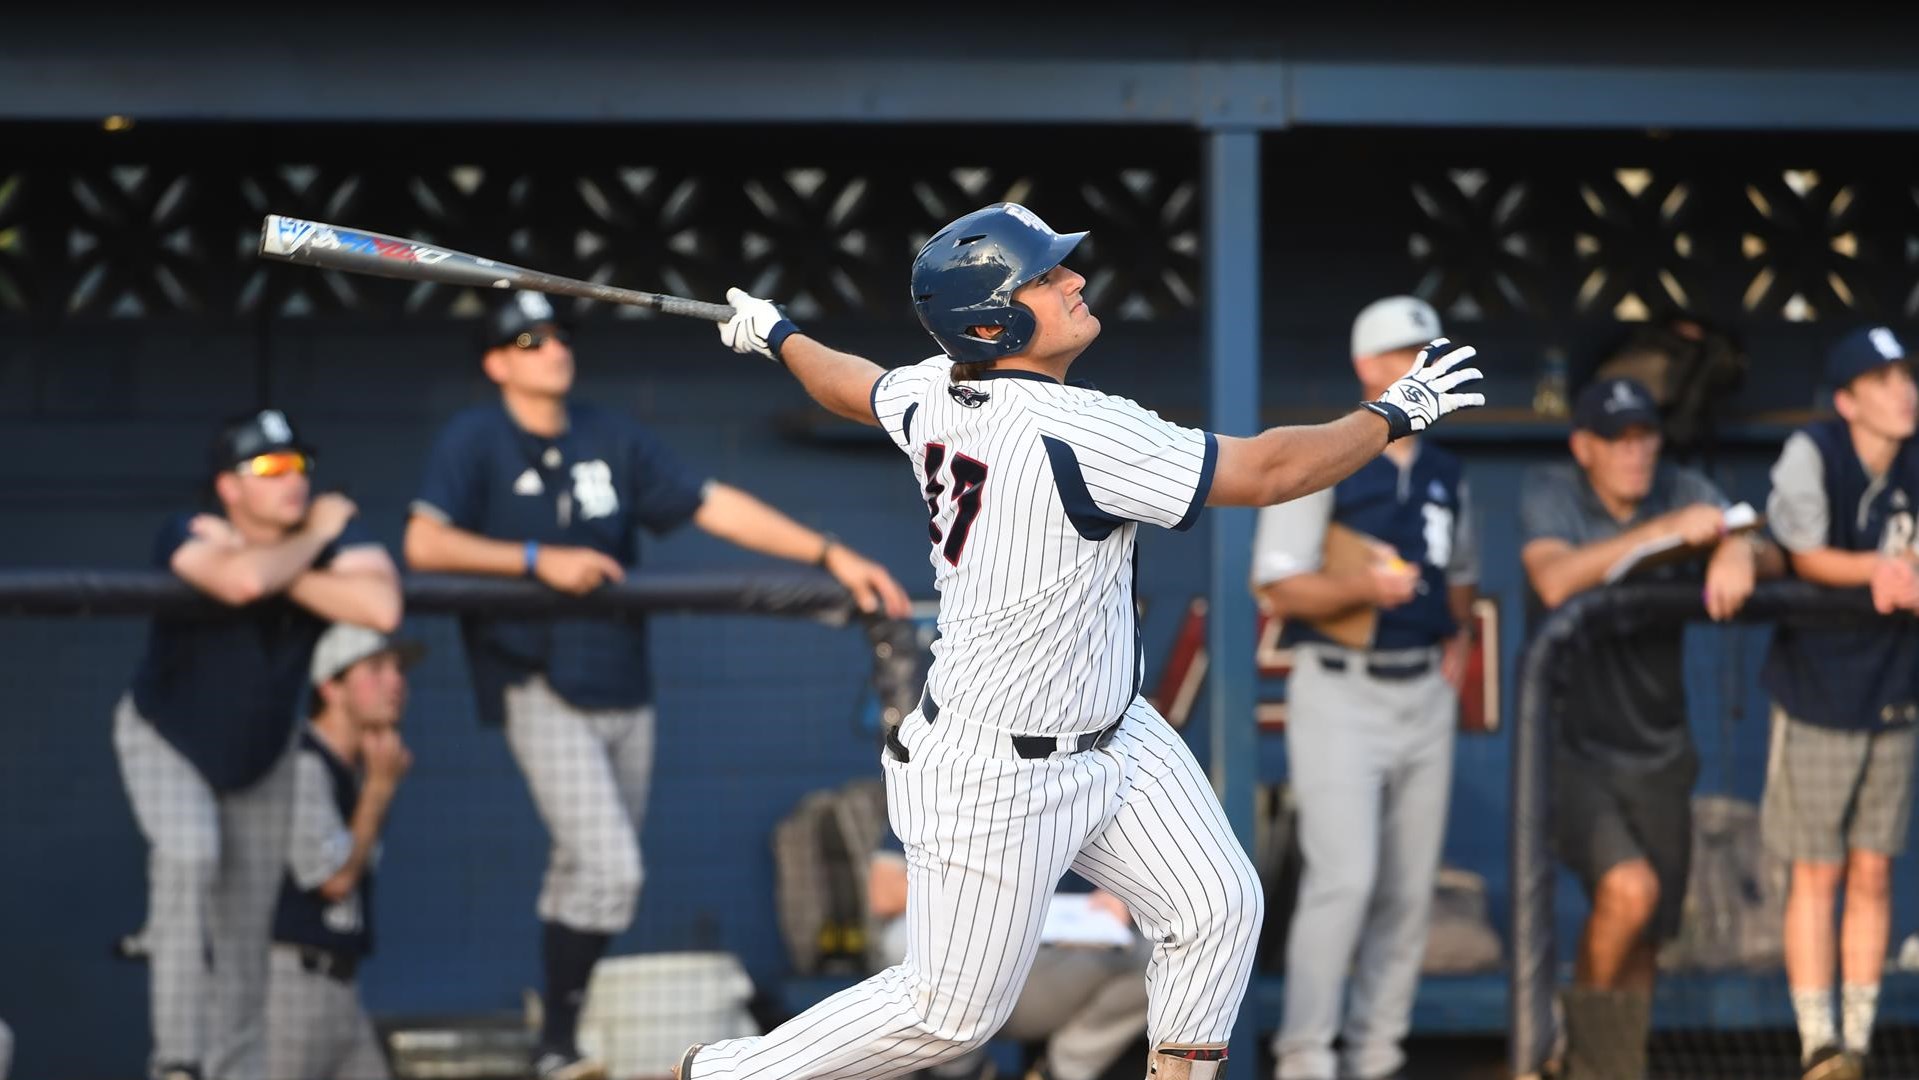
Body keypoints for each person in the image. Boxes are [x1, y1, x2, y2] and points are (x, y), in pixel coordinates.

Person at [674, 201, 1484, 1080]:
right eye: (1048, 277)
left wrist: (781, 334)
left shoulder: (937, 387)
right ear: (994, 319)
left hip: (1115, 731)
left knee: (1218, 906)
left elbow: (852, 382)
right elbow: (1270, 472)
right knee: (946, 1017)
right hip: (994, 767)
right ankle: (716, 1075)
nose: (1074, 281)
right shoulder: (1075, 428)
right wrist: (1392, 413)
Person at [403, 290, 911, 1080]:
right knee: (611, 871)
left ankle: (555, 1042)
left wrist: (828, 553)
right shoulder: (477, 438)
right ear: (497, 362)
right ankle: (559, 1037)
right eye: (530, 341)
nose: (553, 350)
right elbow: (424, 543)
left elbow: (712, 504)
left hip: (618, 675)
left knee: (589, 870)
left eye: (558, 336)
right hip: (534, 675)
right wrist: (537, 561)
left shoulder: (608, 434)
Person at [115, 410, 400, 1080]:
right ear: (228, 488)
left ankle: (231, 1069)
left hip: (260, 753)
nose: (291, 481)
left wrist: (278, 564)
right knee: (189, 856)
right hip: (169, 741)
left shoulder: (317, 537)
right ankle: (179, 1062)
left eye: (298, 465)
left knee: (246, 930)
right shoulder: (184, 528)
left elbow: (381, 609)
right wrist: (315, 541)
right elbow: (240, 583)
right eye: (268, 469)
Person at [1518, 376, 1773, 1080]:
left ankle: (1610, 1067)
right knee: (1628, 892)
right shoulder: (1552, 492)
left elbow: (1760, 540)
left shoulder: (1682, 484)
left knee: (1646, 936)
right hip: (1572, 746)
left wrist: (1731, 549)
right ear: (1584, 447)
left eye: (1645, 437)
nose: (1635, 454)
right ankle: (1581, 1057)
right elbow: (1553, 579)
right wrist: (1665, 533)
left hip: (1659, 745)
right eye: (1618, 441)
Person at [1251, 296, 1478, 1080]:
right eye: (1404, 352)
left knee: (1408, 890)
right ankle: (1305, 1057)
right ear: (1368, 368)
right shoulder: (1329, 453)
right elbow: (1276, 587)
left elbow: (1459, 583)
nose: (1421, 364)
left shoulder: (1446, 468)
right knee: (1343, 881)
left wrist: (1451, 638)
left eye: (1428, 350)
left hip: (1421, 692)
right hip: (1339, 690)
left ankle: (1378, 1054)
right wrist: (1360, 591)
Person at [1759, 325, 1919, 1080]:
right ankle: (1814, 1043)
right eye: (1883, 382)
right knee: (1816, 872)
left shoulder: (1915, 457)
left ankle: (1854, 1043)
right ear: (1847, 399)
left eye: (1905, 378)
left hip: (1893, 685)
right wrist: (1879, 572)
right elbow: (1799, 552)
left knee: (1874, 870)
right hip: (1818, 685)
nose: (1903, 392)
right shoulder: (1812, 450)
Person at [265, 624, 423, 1080]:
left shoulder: (360, 768)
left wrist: (377, 786)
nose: (396, 682)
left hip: (341, 988)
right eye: (375, 669)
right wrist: (379, 789)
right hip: (287, 986)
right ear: (330, 688)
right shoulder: (301, 761)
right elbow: (333, 879)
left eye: (398, 669)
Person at [866, 826, 1151, 1080]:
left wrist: (1127, 894)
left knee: (1159, 954)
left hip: (1048, 967)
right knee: (901, 938)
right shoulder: (940, 781)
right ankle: (962, 1071)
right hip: (963, 958)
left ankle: (1059, 1071)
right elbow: (885, 893)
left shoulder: (1088, 782)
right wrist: (990, 902)